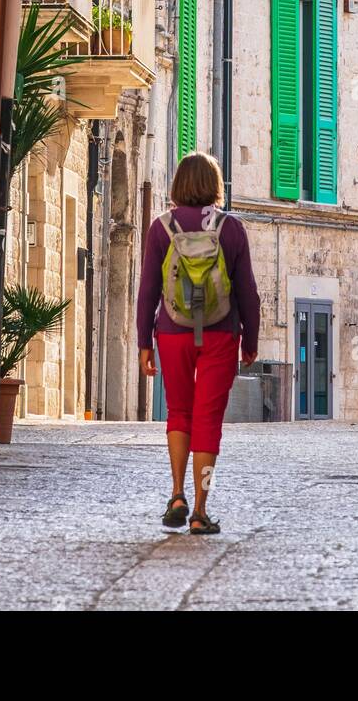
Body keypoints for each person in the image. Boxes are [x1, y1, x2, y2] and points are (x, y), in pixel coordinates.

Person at [137, 151, 260, 535]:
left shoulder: (161, 228)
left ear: (177, 185)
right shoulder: (231, 228)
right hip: (222, 333)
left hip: (172, 334)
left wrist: (145, 343)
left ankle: (176, 494)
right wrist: (250, 342)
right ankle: (200, 510)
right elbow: (248, 293)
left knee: (179, 411)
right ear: (214, 186)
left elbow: (147, 291)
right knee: (208, 419)